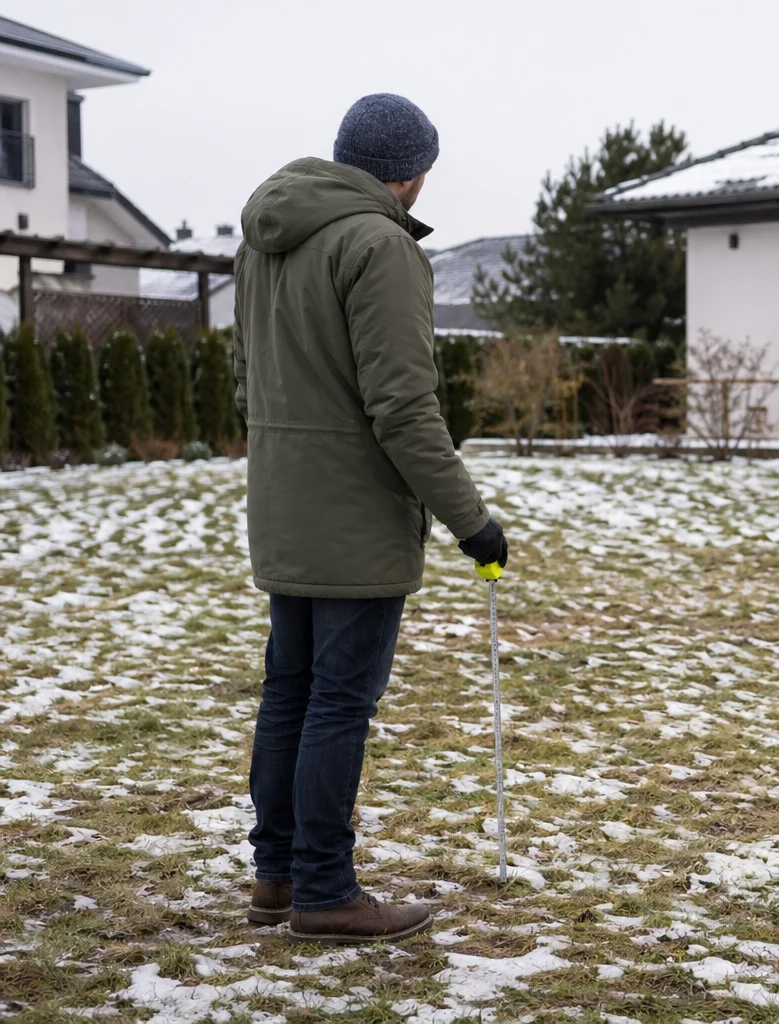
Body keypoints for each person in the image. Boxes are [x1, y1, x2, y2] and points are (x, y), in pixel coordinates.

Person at [232, 93, 508, 945]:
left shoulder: (266, 238)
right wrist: (473, 523)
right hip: (353, 515)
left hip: (284, 503)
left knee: (290, 694)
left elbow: (248, 378)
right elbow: (404, 409)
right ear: (411, 173)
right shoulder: (378, 244)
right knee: (336, 703)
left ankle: (276, 876)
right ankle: (325, 891)